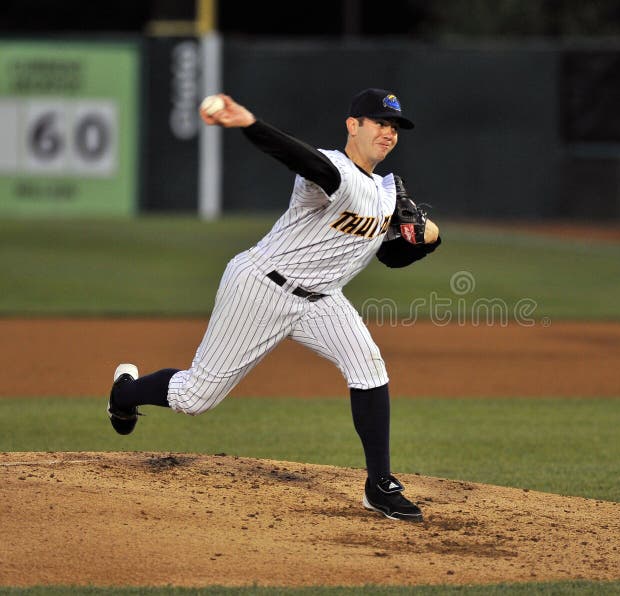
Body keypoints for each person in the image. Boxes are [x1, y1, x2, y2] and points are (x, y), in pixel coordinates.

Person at [107, 88, 441, 522]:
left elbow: (391, 256)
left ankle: (379, 484)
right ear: (352, 125)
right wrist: (249, 123)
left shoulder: (385, 193)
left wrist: (428, 241)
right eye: (380, 122)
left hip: (322, 301)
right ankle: (125, 392)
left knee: (369, 366)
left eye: (394, 126)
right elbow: (299, 157)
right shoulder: (333, 170)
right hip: (262, 287)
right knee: (196, 397)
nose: (388, 132)